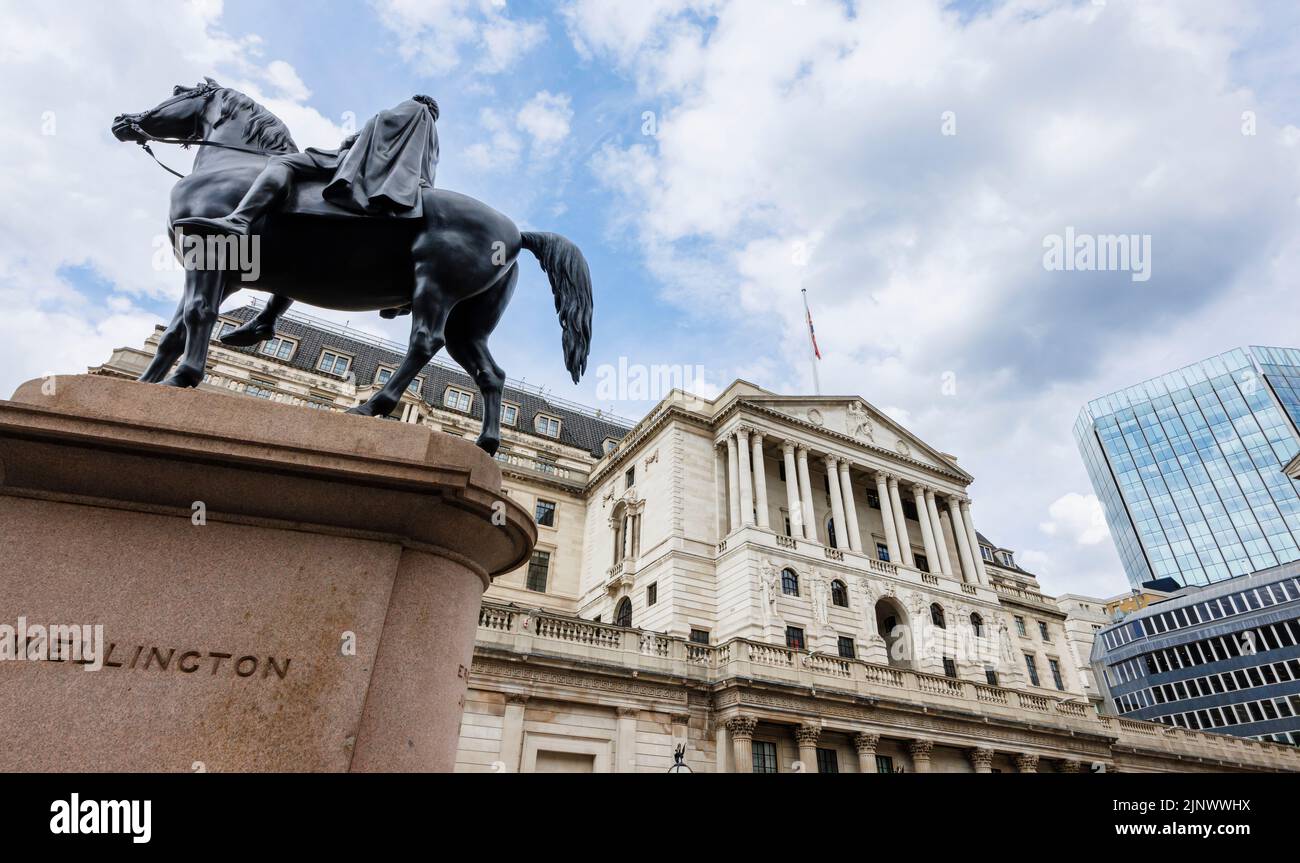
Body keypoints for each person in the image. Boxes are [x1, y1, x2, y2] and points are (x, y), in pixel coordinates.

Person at [177, 95, 440, 345]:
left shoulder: (411, 110)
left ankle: (239, 220)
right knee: (303, 248)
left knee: (283, 164)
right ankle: (268, 317)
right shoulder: (430, 140)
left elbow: (373, 131)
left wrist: (352, 139)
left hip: (357, 171)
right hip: (392, 187)